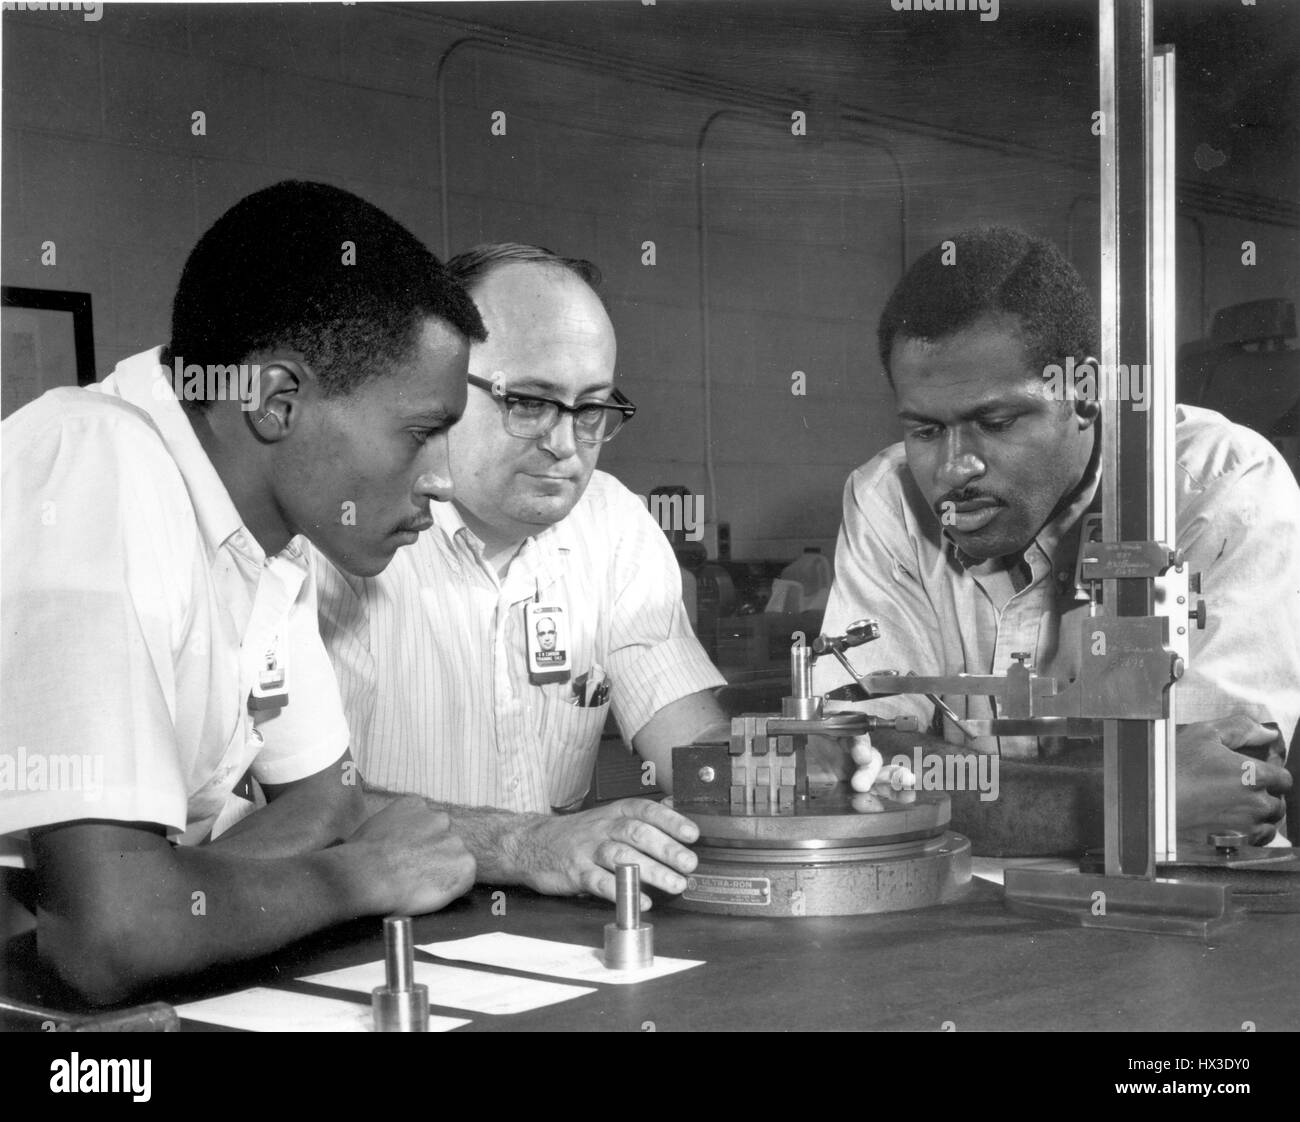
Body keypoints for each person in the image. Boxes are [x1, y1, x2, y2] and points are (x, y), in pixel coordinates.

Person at [0, 181, 486, 1004]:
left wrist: (166, 894)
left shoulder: (265, 533)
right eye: (421, 432)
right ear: (273, 400)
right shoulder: (95, 466)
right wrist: (358, 878)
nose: (443, 480)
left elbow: (326, 795)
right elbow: (110, 939)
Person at [814, 226, 1299, 847]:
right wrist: (1120, 807)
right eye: (926, 431)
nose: (955, 469)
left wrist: (940, 783)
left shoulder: (1220, 485)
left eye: (994, 421)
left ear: (1087, 395)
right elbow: (852, 762)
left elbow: (1223, 794)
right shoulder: (886, 496)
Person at [315, 244, 730, 908]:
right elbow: (299, 808)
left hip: (547, 942)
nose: (565, 445)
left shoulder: (614, 525)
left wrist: (804, 769)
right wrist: (526, 843)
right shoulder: (336, 531)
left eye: (591, 408)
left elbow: (700, 754)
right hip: (367, 927)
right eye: (530, 402)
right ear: (438, 382)